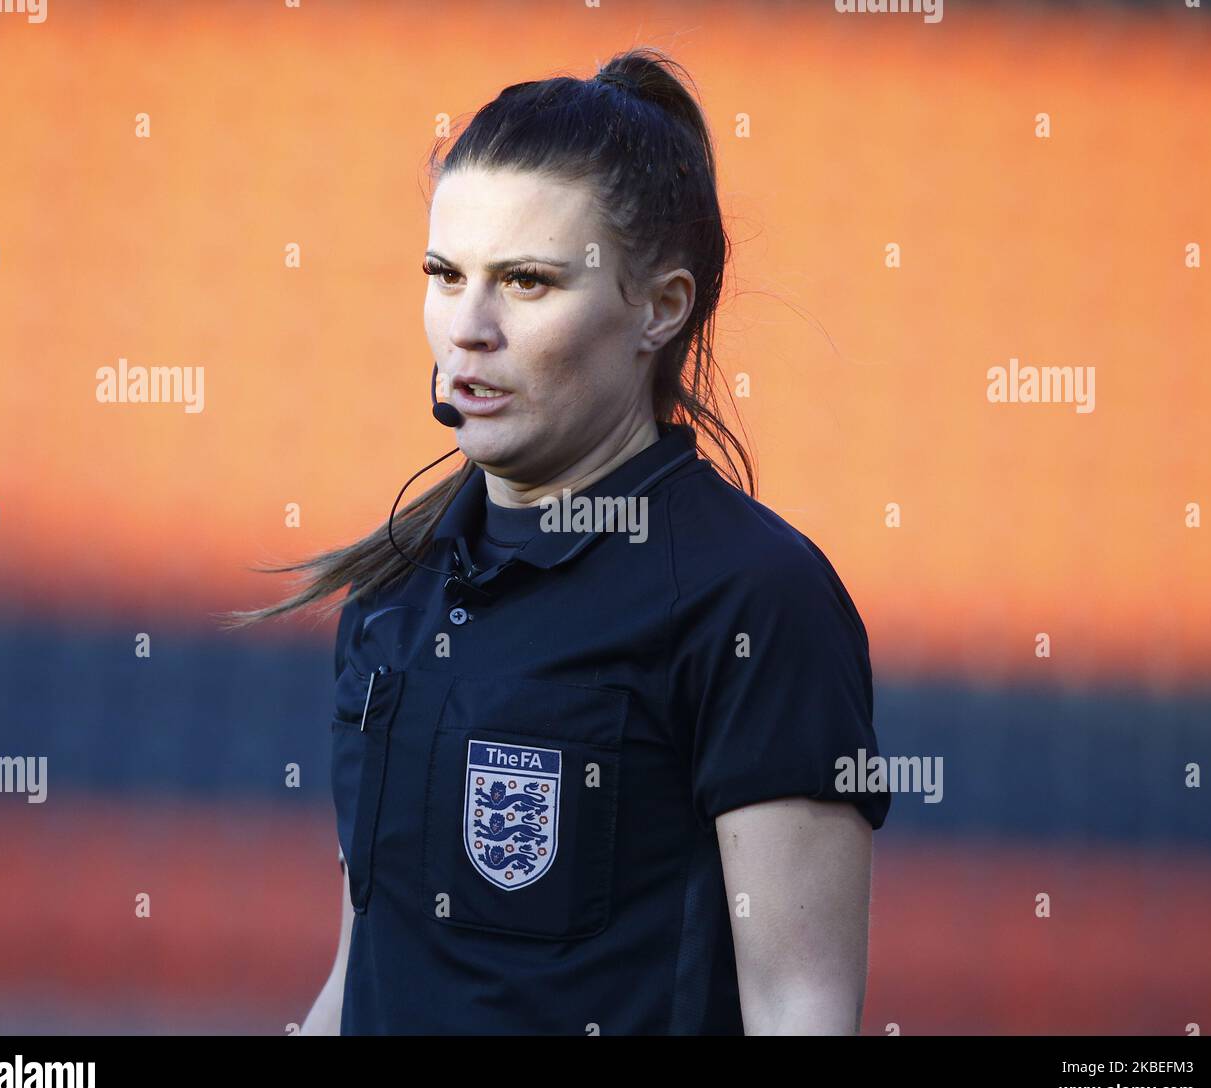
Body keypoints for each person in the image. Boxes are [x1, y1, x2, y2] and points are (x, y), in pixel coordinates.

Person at [223, 47, 889, 1035]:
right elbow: (361, 981)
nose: (468, 327)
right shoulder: (390, 596)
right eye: (444, 274)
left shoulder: (752, 600)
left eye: (527, 283)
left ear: (660, 308)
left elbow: (799, 1011)